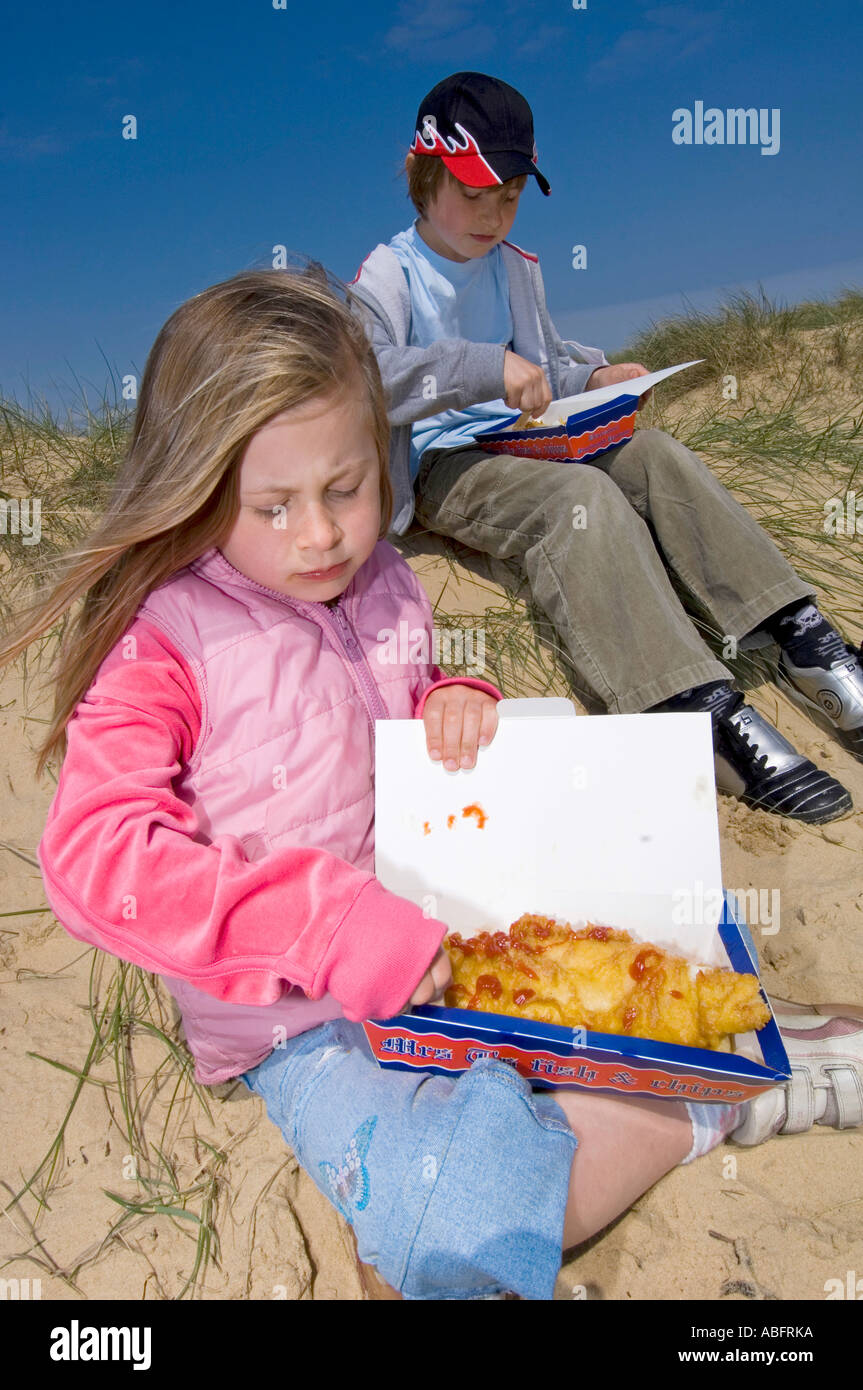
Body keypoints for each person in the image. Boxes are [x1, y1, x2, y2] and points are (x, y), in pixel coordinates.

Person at [5, 268, 861, 1303]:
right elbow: (97, 859)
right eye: (271, 506)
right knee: (446, 1224)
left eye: (346, 489)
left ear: (382, 458)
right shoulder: (165, 642)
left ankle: (721, 1062)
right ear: (195, 482)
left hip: (455, 954)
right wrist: (323, 926)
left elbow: (405, 702)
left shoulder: (383, 582)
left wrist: (455, 694)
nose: (319, 535)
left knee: (625, 1005)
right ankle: (713, 1104)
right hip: (302, 1024)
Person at [349, 70, 863, 827]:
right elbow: (369, 379)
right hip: (439, 464)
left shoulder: (517, 270)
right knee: (578, 502)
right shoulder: (388, 276)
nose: (492, 215)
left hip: (527, 439)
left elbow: (545, 364)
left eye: (510, 196)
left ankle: (799, 637)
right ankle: (690, 705)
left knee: (655, 456)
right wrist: (481, 369)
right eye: (473, 194)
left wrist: (595, 374)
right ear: (424, 174)